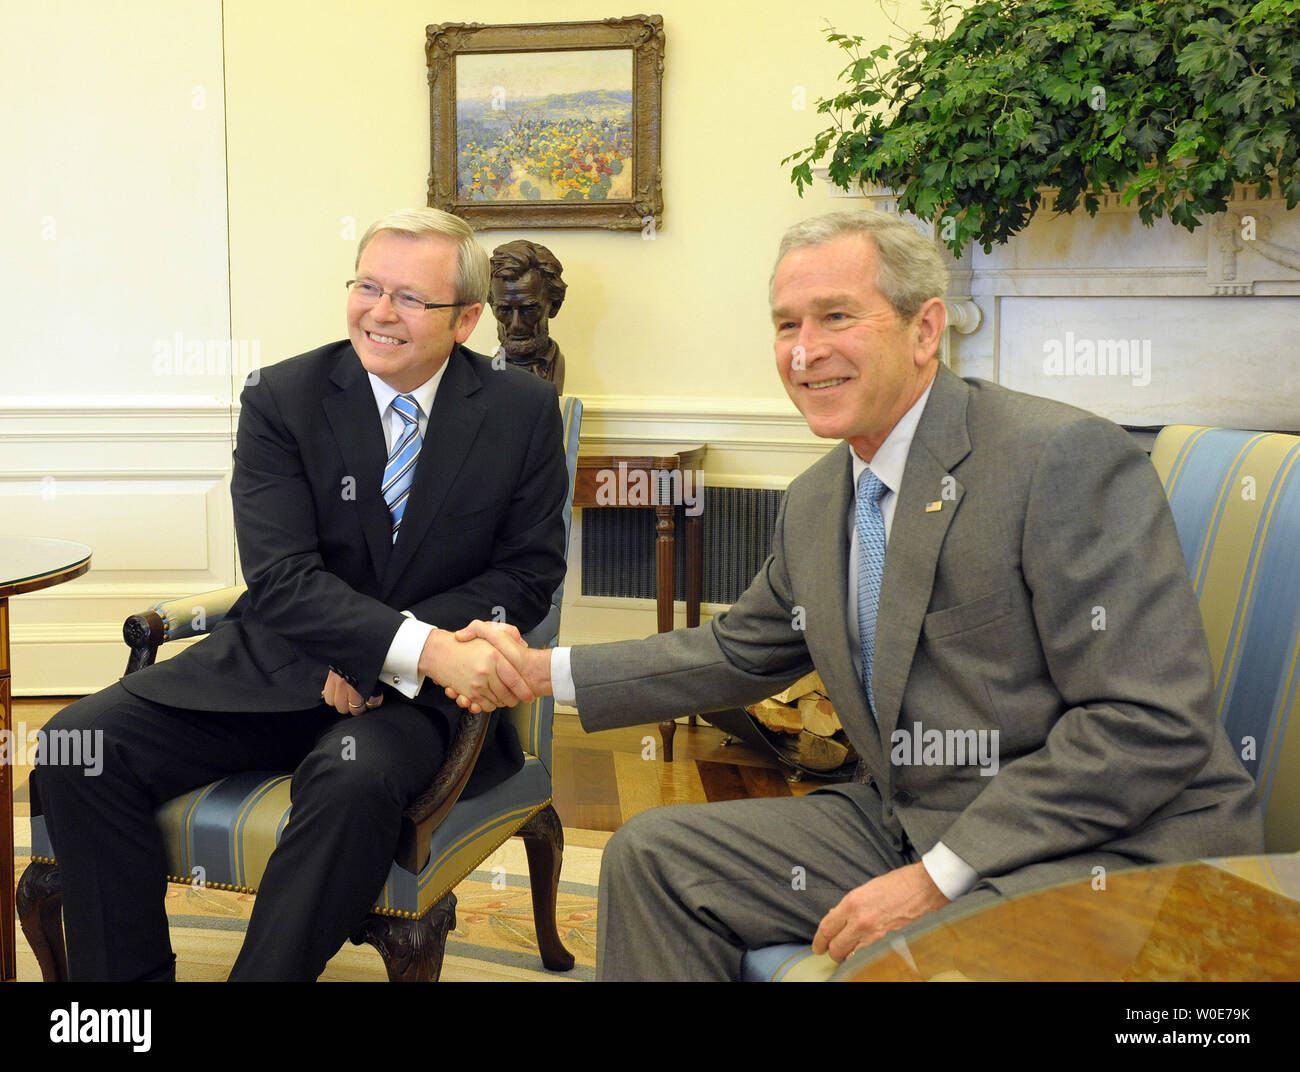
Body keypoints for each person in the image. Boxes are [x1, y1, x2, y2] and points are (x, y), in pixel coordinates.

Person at [453, 208, 1265, 981]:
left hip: (1101, 844)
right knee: (656, 859)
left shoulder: (1059, 460)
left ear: (926, 330)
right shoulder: (818, 501)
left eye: (837, 317)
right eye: (786, 324)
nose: (805, 352)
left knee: (901, 965)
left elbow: (1146, 725)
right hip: (905, 819)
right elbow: (737, 652)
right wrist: (538, 672)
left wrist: (939, 877)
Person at [34, 208, 567, 981]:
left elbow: (526, 574)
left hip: (415, 699)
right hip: (272, 667)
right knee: (78, 748)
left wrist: (392, 658)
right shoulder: (283, 396)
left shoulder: (520, 413)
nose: (380, 313)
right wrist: (384, 644)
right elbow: (281, 575)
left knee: (351, 783)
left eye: (411, 298)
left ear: (467, 320)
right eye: (368, 287)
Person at [488, 239, 567, 390]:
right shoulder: (488, 372)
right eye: (505, 310)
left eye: (529, 309)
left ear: (554, 306)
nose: (516, 325)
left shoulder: (556, 367)